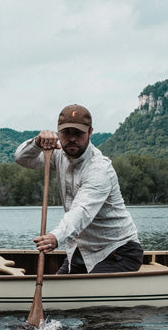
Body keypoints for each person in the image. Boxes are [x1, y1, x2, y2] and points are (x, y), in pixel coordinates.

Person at [14, 104, 143, 274]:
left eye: (78, 133)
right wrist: (37, 143)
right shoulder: (57, 154)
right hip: (80, 250)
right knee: (56, 293)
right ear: (58, 132)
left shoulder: (99, 169)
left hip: (117, 251)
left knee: (88, 297)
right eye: (66, 133)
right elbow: (22, 158)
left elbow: (81, 211)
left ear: (90, 132)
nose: (72, 139)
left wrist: (55, 237)